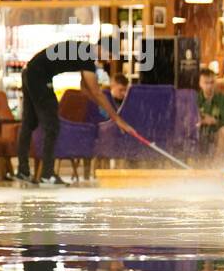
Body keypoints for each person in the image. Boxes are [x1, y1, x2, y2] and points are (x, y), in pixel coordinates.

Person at [15, 35, 138, 186]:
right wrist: (118, 120)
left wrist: (103, 108)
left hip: (29, 72)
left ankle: (23, 171)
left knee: (30, 122)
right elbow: (96, 92)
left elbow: (85, 89)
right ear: (102, 49)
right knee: (52, 125)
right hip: (38, 75)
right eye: (110, 55)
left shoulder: (83, 51)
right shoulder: (87, 56)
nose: (110, 60)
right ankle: (47, 175)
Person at [196, 67, 224, 159]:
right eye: (206, 83)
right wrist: (198, 120)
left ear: (215, 83)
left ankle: (217, 165)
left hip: (215, 132)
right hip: (197, 131)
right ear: (200, 84)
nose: (209, 86)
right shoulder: (194, 98)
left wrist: (213, 121)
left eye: (212, 83)